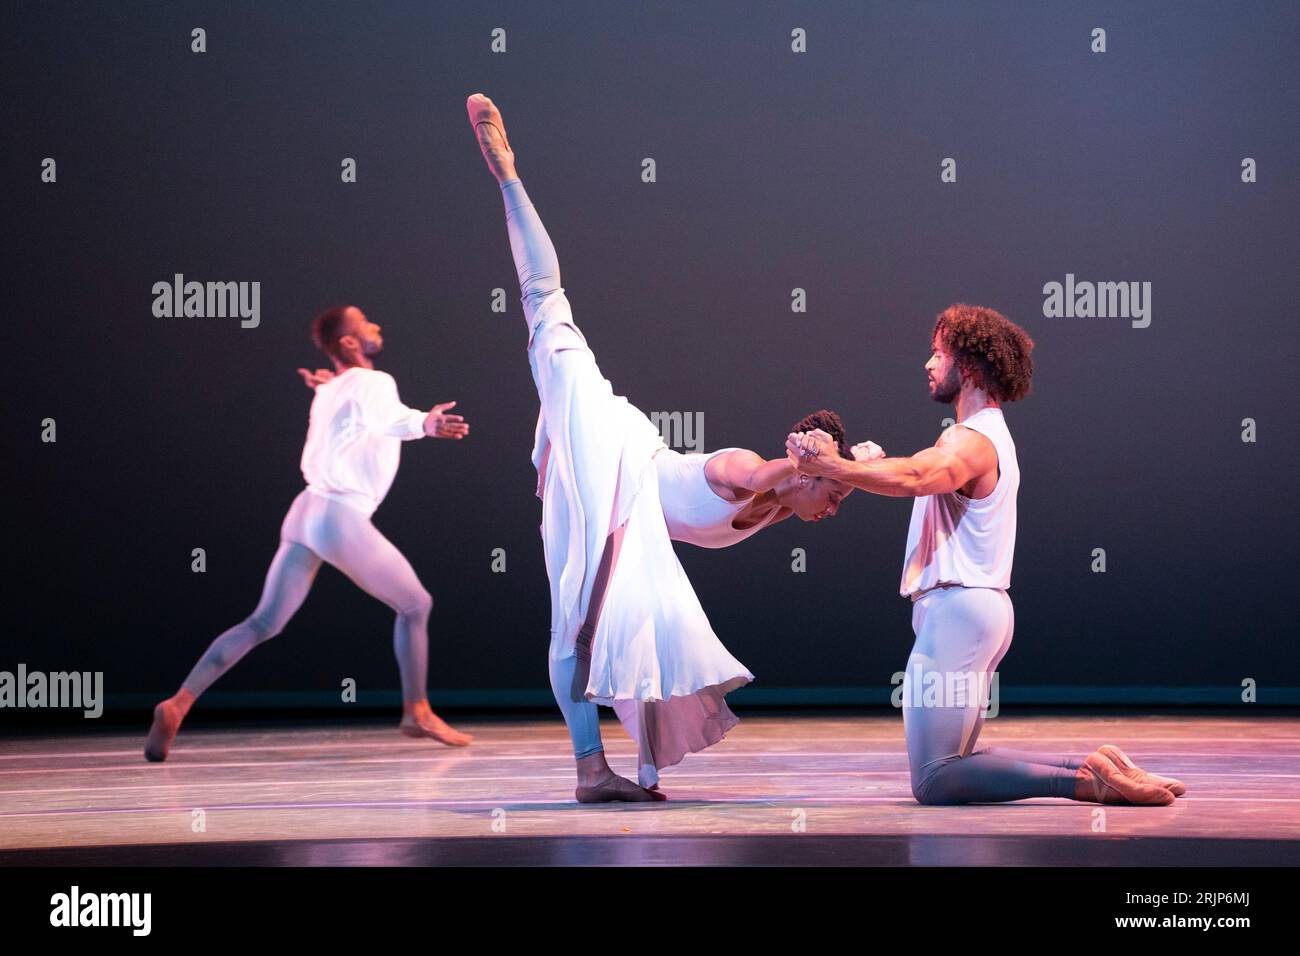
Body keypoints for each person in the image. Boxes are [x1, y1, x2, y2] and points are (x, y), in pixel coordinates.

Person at [468, 92, 858, 801]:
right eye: (833, 495)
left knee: (643, 626)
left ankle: (612, 770)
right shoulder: (751, 473)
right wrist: (810, 457)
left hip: (602, 476)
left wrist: (853, 458)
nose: (833, 510)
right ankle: (509, 176)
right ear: (805, 473)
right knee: (545, 303)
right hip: (610, 449)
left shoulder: (778, 502)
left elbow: (833, 470)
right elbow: (767, 467)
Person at [788, 303, 1185, 805]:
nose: (928, 365)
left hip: (961, 613)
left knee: (935, 778)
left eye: (938, 354)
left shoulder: (972, 439)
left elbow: (916, 476)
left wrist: (834, 467)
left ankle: (1084, 783)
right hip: (973, 612)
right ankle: (1096, 765)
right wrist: (857, 466)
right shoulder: (984, 436)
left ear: (969, 366)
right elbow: (913, 471)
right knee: (957, 764)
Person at [144, 305, 473, 761]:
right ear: (351, 344)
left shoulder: (332, 390)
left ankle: (177, 703)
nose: (376, 325)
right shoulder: (374, 383)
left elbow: (355, 412)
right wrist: (424, 423)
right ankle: (416, 710)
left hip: (304, 512)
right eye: (365, 324)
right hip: (338, 513)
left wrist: (329, 386)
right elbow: (385, 418)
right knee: (416, 604)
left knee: (262, 622)